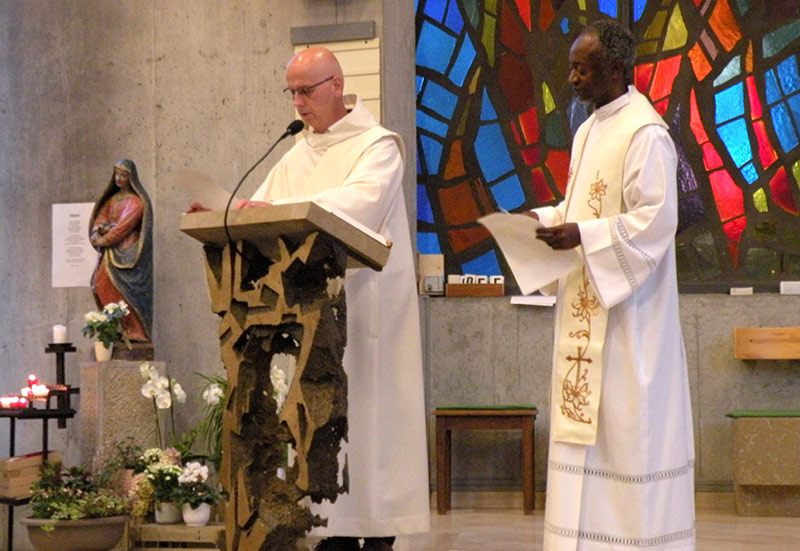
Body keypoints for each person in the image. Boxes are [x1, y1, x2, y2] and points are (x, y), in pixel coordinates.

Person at [245, 47, 430, 551]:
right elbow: (260, 214)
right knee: (323, 421)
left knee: (372, 422)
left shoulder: (378, 145)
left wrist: (275, 208)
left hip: (370, 312)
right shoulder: (296, 153)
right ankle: (330, 527)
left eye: (306, 91)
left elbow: (359, 206)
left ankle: (375, 530)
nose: (299, 104)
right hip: (312, 314)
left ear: (336, 85)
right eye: (292, 93)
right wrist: (228, 214)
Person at [528, 20, 695, 550]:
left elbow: (656, 221)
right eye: (571, 66)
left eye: (583, 67)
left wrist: (583, 233)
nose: (572, 78)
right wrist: (539, 220)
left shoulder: (645, 133)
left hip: (629, 320)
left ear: (617, 70)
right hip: (584, 309)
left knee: (626, 432)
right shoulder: (588, 129)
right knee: (585, 432)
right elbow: (583, 209)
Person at [89, 159, 153, 342]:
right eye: (117, 174)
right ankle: (115, 327)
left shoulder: (136, 202)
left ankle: (135, 330)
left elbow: (122, 228)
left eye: (123, 175)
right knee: (99, 284)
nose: (119, 178)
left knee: (126, 290)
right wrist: (97, 232)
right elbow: (100, 219)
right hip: (110, 253)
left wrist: (104, 237)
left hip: (127, 252)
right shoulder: (111, 200)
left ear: (131, 178)